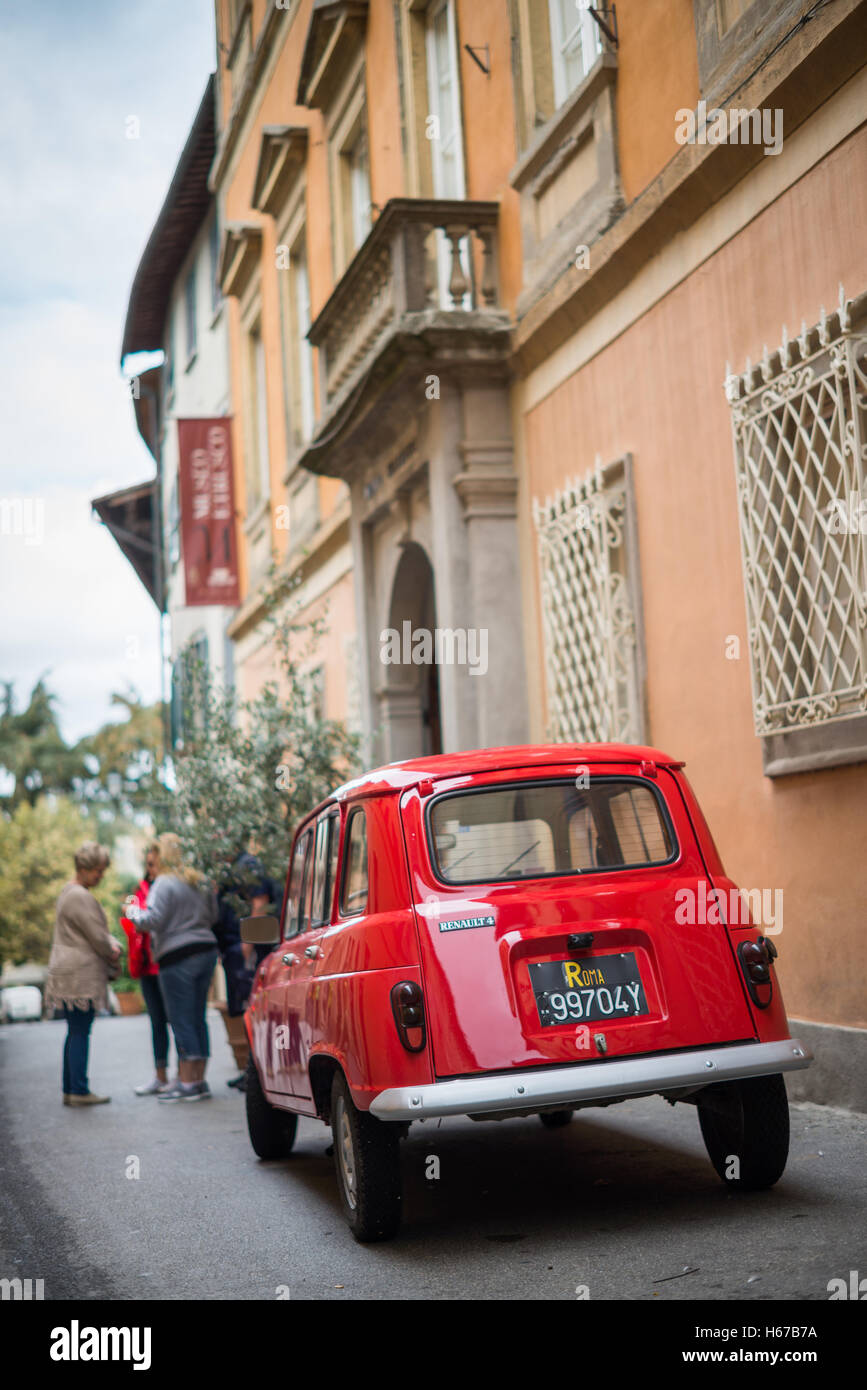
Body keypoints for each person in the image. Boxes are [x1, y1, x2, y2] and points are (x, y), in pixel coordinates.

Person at [124, 833, 218, 1103]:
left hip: (176, 955)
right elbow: (213, 916)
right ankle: (199, 1080)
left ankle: (187, 1083)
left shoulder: (164, 883)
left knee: (181, 1019)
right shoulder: (200, 880)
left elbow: (152, 919)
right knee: (198, 1017)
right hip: (205, 950)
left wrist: (133, 913)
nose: (151, 868)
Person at [45, 841, 122, 1107]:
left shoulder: (68, 892)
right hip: (79, 974)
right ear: (85, 868)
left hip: (67, 971)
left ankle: (71, 1088)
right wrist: (114, 948)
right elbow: (98, 937)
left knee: (75, 1029)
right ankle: (78, 1089)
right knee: (80, 1030)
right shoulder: (80, 895)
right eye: (98, 871)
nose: (101, 876)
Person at [120, 841, 175, 1095]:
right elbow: (130, 917)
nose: (149, 868)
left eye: (153, 863)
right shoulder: (139, 890)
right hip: (146, 965)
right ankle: (160, 1075)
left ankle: (185, 1075)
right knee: (156, 1022)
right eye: (147, 864)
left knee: (177, 1020)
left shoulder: (169, 886)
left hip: (166, 962)